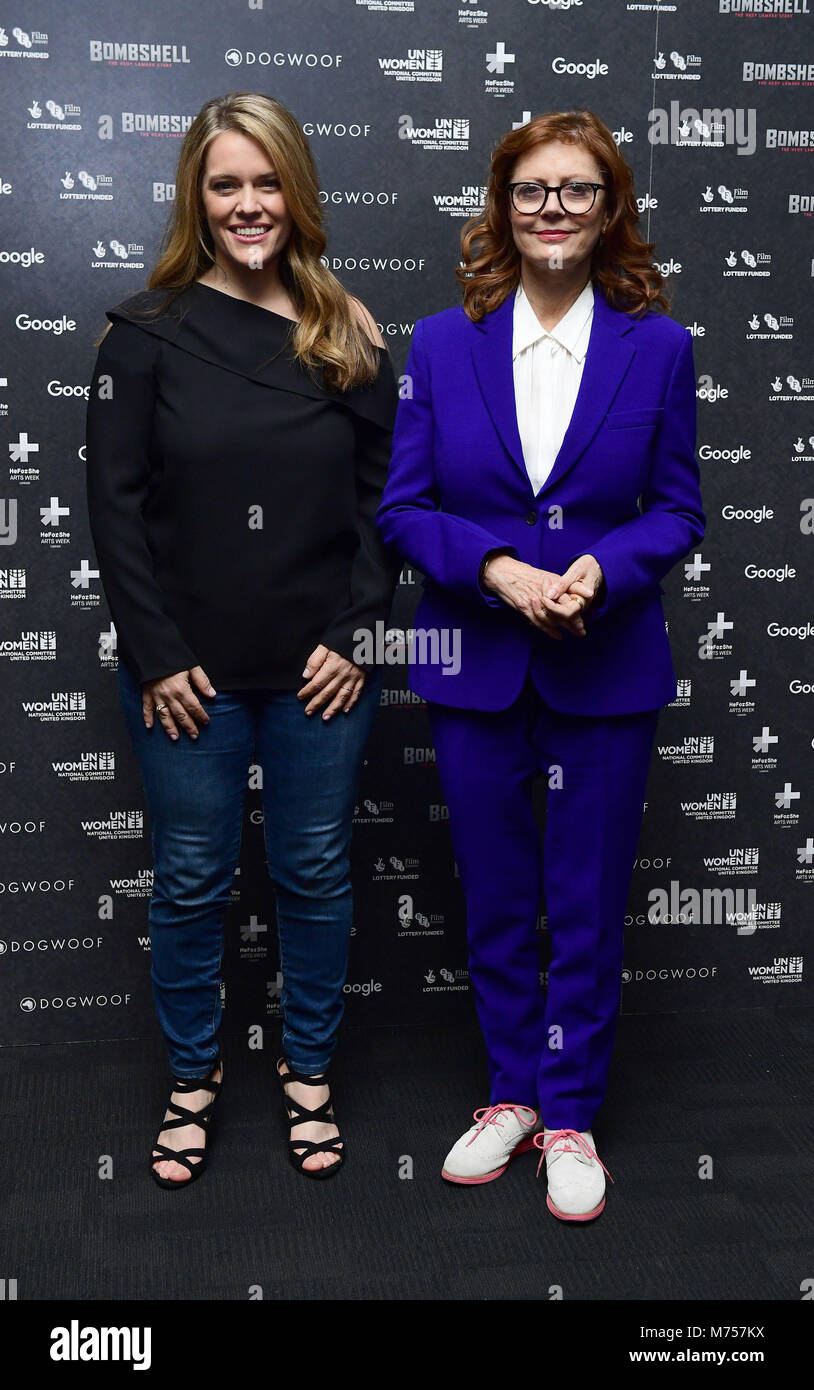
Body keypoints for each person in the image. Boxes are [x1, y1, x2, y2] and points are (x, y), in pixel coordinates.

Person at [376, 108, 705, 1221]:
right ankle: (509, 1093)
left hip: (604, 669)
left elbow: (675, 510)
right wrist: (502, 571)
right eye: (531, 191)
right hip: (475, 662)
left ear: (609, 208)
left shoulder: (656, 348)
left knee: (586, 902)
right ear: (501, 209)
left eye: (576, 190)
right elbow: (405, 510)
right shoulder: (437, 344)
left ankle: (568, 1112)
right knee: (501, 903)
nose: (552, 209)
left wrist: (601, 574)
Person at [85, 91, 399, 1187]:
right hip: (188, 679)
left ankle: (306, 1074)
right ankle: (192, 1081)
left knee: (312, 872)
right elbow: (115, 512)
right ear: (197, 196)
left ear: (296, 192)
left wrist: (358, 632)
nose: (248, 203)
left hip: (320, 672)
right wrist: (159, 653)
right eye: (227, 183)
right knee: (188, 880)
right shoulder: (143, 336)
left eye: (268, 181)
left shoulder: (346, 335)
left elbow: (382, 504)